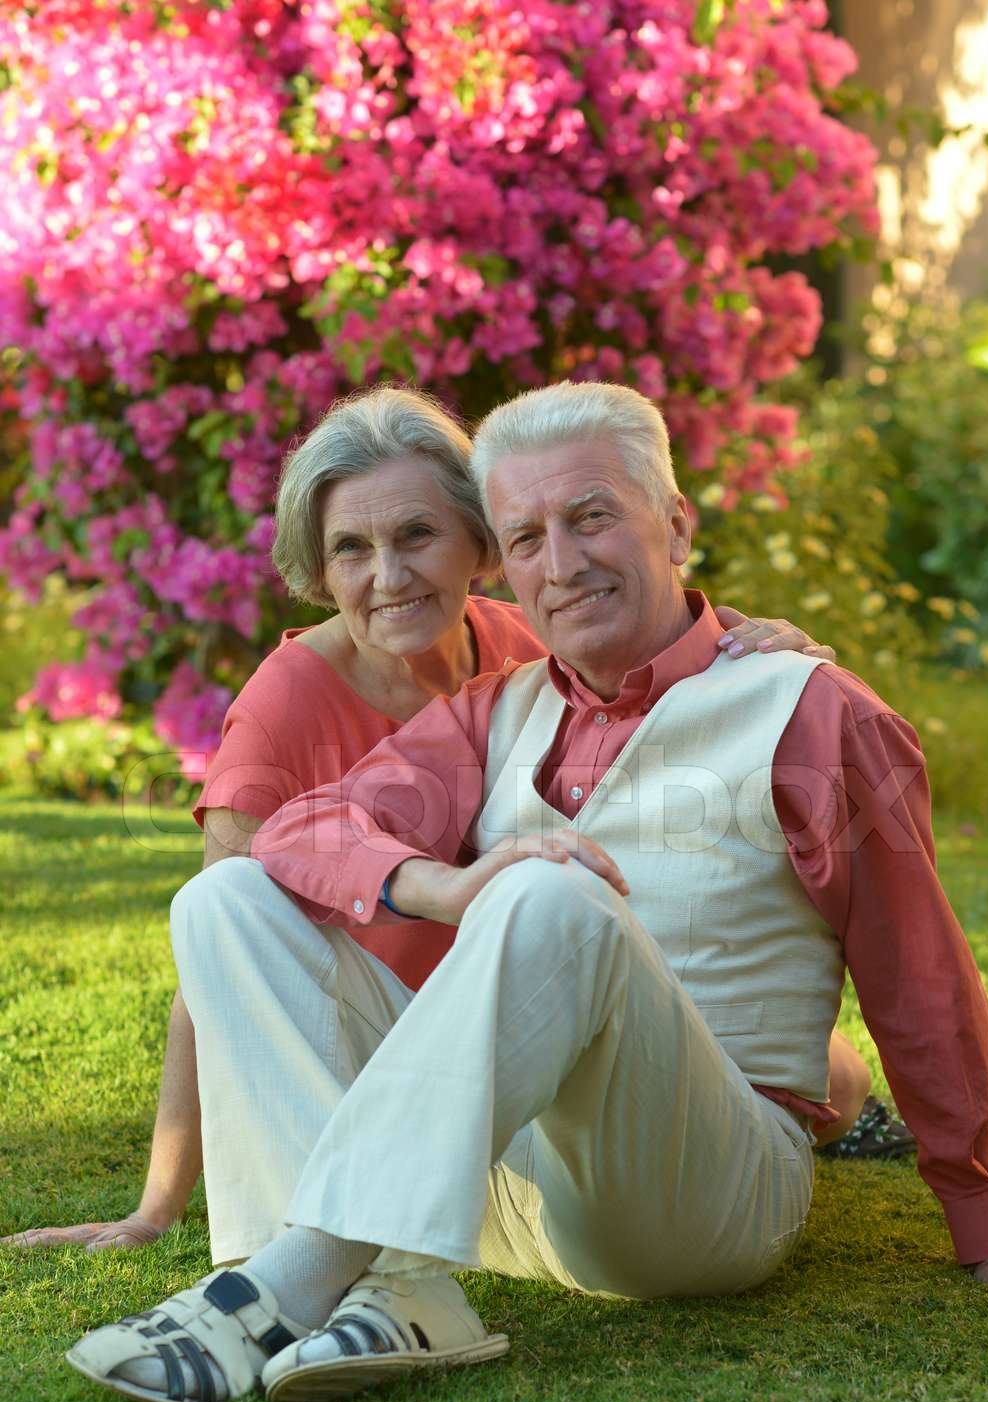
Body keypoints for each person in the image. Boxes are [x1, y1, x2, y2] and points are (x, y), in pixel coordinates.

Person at [66, 379, 988, 1402]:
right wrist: (440, 883)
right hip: (505, 1192)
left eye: (592, 517)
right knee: (226, 898)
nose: (563, 562)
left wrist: (985, 1219)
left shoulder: (811, 712)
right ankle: (400, 1287)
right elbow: (298, 829)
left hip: (701, 1196)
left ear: (676, 524)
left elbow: (919, 974)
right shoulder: (500, 708)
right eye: (528, 536)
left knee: (551, 887)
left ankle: (282, 1287)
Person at [3, 386, 860, 1260]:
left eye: (416, 535)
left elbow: (650, 653)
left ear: (477, 540)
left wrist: (742, 641)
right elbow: (218, 961)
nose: (388, 576)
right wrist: (156, 1208)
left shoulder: (529, 646)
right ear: (321, 568)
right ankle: (324, 1261)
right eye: (350, 550)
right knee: (231, 897)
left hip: (552, 997)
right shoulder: (285, 707)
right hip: (388, 1026)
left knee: (836, 1074)